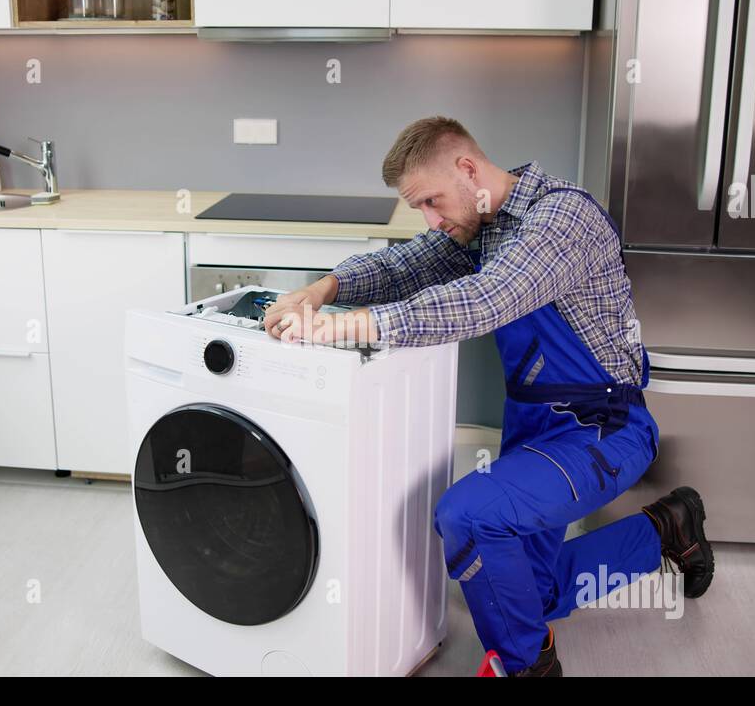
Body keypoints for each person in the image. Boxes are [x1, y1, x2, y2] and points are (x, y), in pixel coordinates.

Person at [262, 117, 714, 677]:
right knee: (533, 593)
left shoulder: (561, 217)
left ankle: (529, 667)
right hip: (534, 432)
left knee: (468, 516)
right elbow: (401, 267)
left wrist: (344, 327)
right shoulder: (480, 225)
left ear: (468, 170)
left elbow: (488, 299)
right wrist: (320, 288)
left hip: (603, 429)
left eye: (431, 200)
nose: (430, 220)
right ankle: (669, 527)